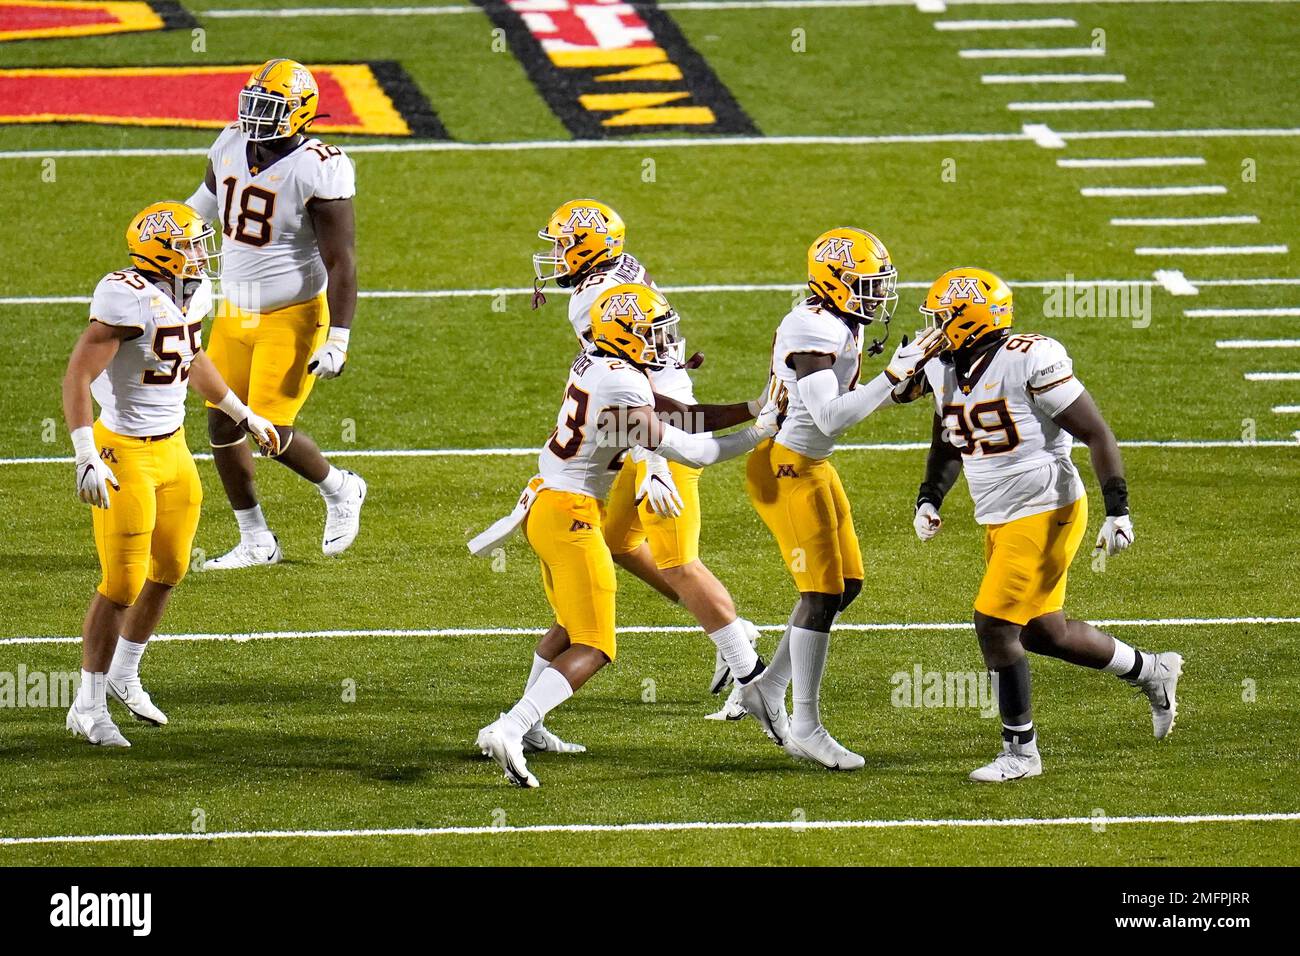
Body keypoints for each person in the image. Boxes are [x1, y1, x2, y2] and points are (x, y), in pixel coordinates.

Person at [471, 283, 778, 787]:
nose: (663, 344)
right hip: (570, 515)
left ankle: (529, 726)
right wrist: (758, 432)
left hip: (547, 506)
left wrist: (749, 406)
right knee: (594, 645)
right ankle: (511, 726)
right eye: (650, 334)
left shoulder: (598, 363)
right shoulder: (623, 385)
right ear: (623, 334)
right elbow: (694, 451)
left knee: (569, 626)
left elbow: (678, 415)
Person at [909, 266, 1183, 782]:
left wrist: (1118, 508)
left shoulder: (1030, 358)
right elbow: (949, 439)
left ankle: (1021, 753)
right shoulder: (945, 369)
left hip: (1047, 509)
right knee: (1043, 633)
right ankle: (1152, 670)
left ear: (972, 318)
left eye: (943, 316)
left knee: (993, 625)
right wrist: (929, 496)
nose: (934, 326)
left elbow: (1097, 434)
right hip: (1000, 515)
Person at [62, 201, 278, 746]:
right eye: (188, 246)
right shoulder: (124, 296)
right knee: (121, 583)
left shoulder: (190, 293)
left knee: (172, 568)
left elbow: (191, 355)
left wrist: (242, 413)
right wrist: (85, 451)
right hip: (124, 451)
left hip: (174, 448)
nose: (200, 254)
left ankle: (124, 674)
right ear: (159, 252)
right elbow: (78, 371)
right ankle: (86, 706)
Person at [742, 227, 943, 770]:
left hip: (810, 463)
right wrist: (889, 377)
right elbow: (831, 415)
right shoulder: (811, 326)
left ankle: (767, 688)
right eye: (866, 283)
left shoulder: (839, 322)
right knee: (821, 592)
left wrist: (906, 384)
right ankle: (805, 724)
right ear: (834, 283)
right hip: (783, 468)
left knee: (846, 585)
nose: (877, 292)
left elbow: (844, 402)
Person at [185, 58, 364, 569]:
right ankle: (256, 538)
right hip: (234, 310)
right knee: (222, 422)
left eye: (270, 108)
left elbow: (341, 261)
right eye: (253, 103)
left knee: (269, 431)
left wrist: (340, 339)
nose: (255, 116)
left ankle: (340, 487)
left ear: (301, 113)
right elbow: (202, 205)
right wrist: (169, 235)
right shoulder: (228, 143)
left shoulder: (319, 165)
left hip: (294, 313)